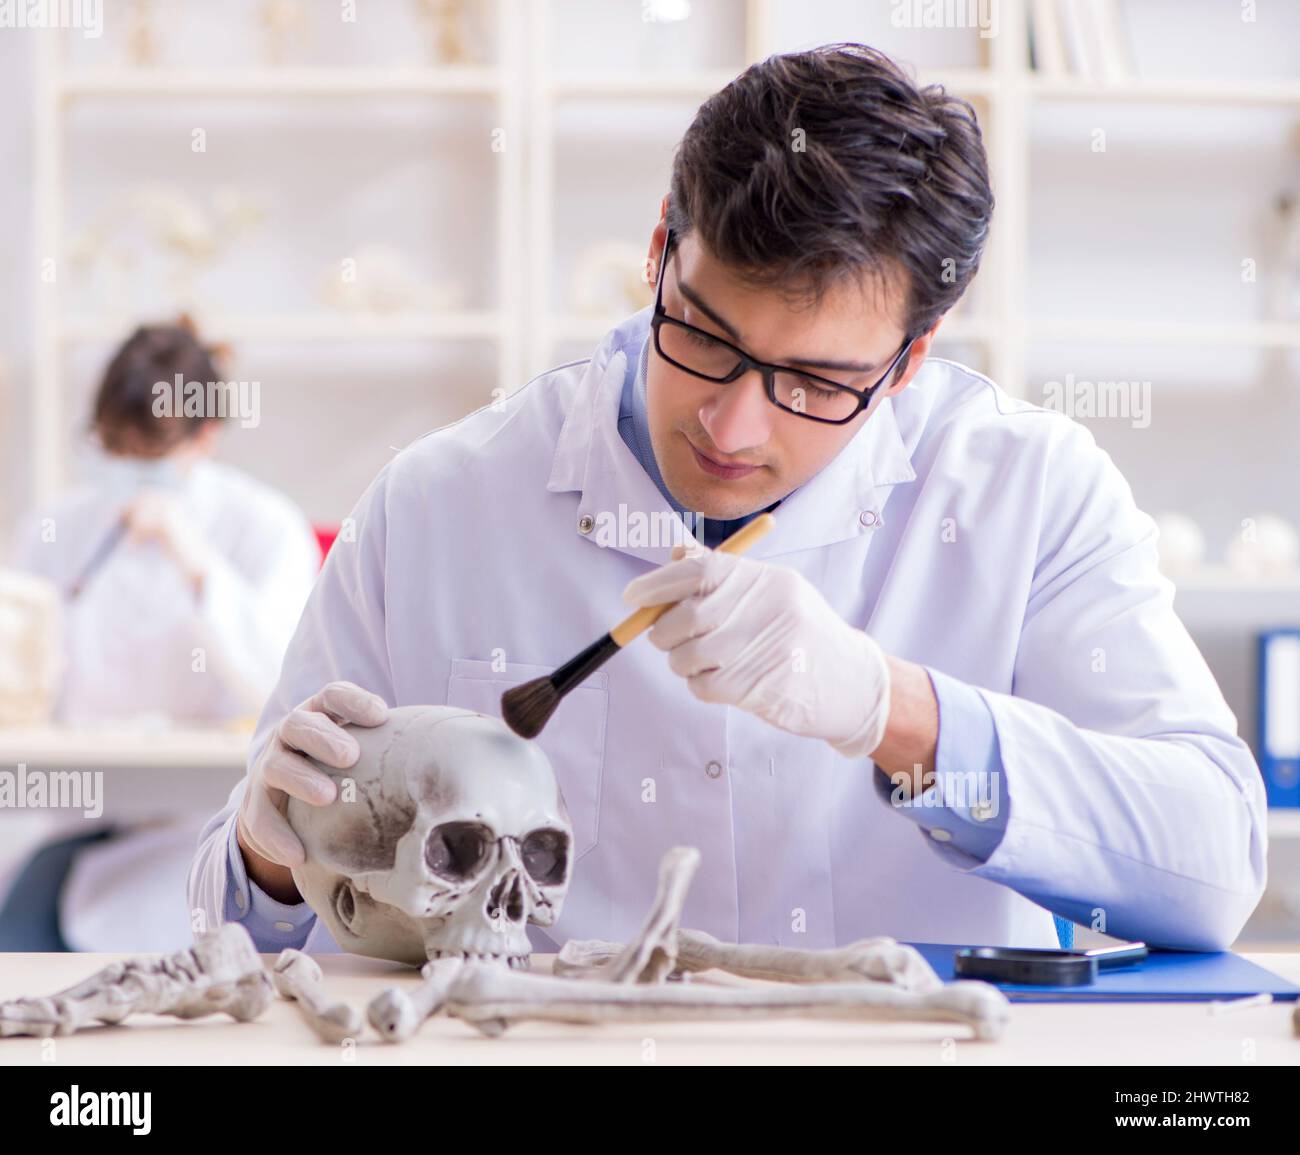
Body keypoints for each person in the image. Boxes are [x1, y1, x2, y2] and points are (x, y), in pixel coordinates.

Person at [191, 44, 1266, 957]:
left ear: (909, 360)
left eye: (813, 382)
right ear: (661, 249)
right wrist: (265, 856)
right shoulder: (439, 501)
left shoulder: (1028, 492)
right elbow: (241, 937)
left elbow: (1213, 869)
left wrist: (893, 710)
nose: (731, 426)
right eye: (705, 338)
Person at [1, 320, 320, 951]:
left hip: (198, 827)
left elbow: (279, 688)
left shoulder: (262, 528)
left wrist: (195, 562)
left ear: (207, 435)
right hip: (74, 817)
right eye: (115, 449)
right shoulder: (59, 525)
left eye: (151, 454)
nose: (130, 470)